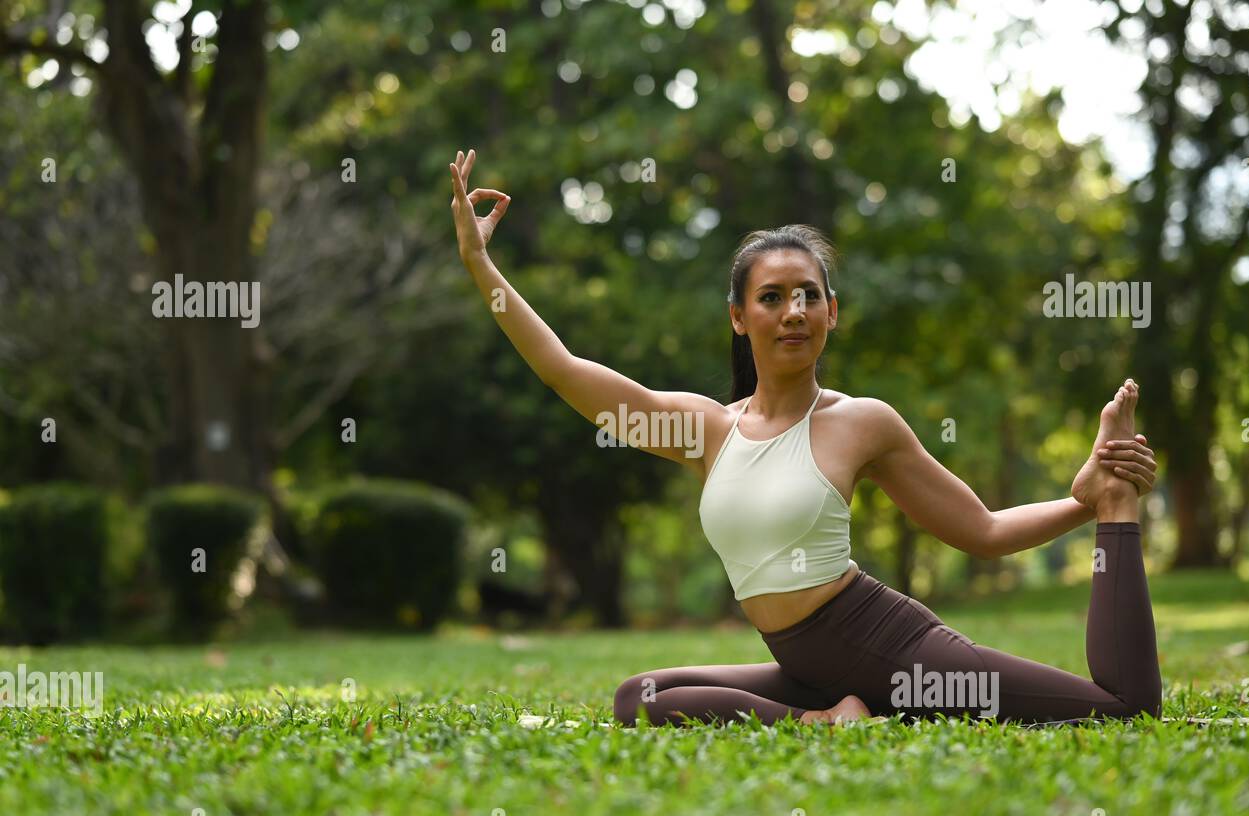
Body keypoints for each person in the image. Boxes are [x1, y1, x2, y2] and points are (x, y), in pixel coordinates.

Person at [448, 148, 1162, 729]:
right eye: (771, 297)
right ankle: (829, 718)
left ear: (831, 313)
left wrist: (1089, 501)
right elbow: (564, 371)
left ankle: (1118, 509)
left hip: (894, 650)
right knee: (641, 697)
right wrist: (483, 268)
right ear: (738, 317)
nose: (793, 310)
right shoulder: (703, 430)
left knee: (1119, 710)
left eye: (808, 295)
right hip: (804, 664)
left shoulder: (862, 423)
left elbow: (982, 529)